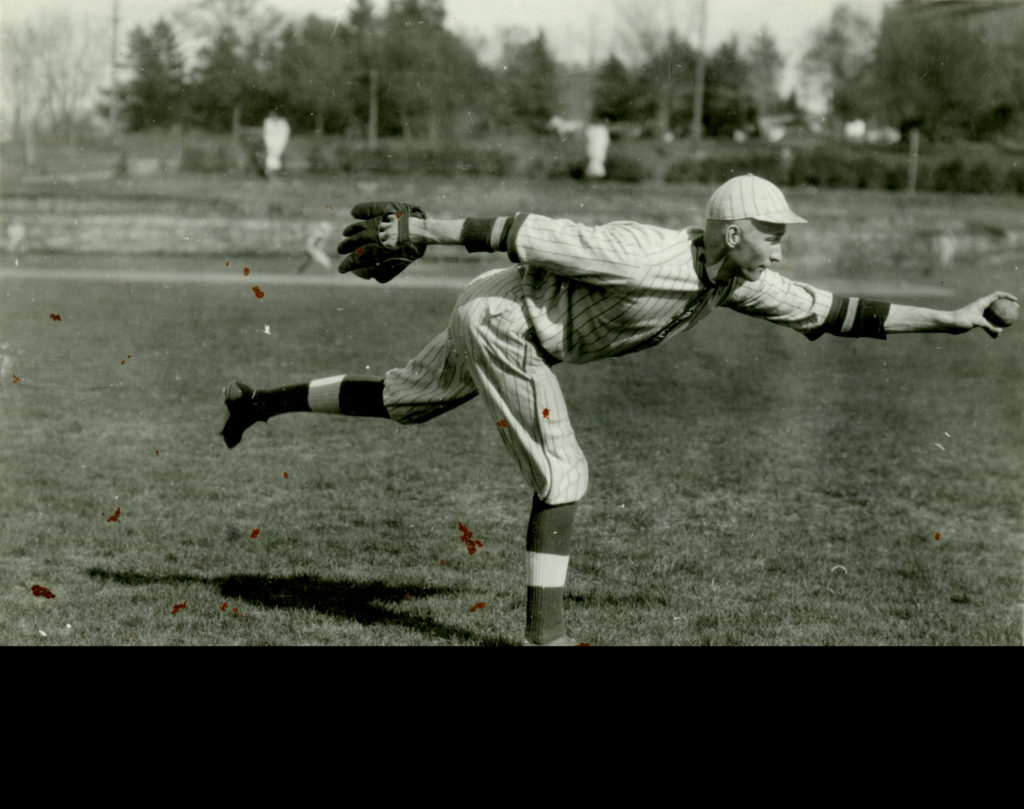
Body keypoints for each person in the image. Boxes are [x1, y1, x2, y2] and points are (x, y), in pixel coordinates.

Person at [219, 174, 1016, 646]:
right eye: (772, 234)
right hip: (507, 320)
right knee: (563, 474)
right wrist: (424, 228)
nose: (782, 246)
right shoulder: (645, 252)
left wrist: (951, 317)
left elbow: (837, 311)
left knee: (403, 401)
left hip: (500, 315)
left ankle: (261, 403)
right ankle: (547, 639)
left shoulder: (734, 279)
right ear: (732, 230)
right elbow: (530, 232)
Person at [262, 109, 291, 178]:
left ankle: (275, 171)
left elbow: (285, 132)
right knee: (270, 156)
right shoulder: (268, 122)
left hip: (279, 142)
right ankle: (270, 172)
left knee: (276, 156)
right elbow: (267, 133)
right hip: (271, 142)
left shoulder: (282, 122)